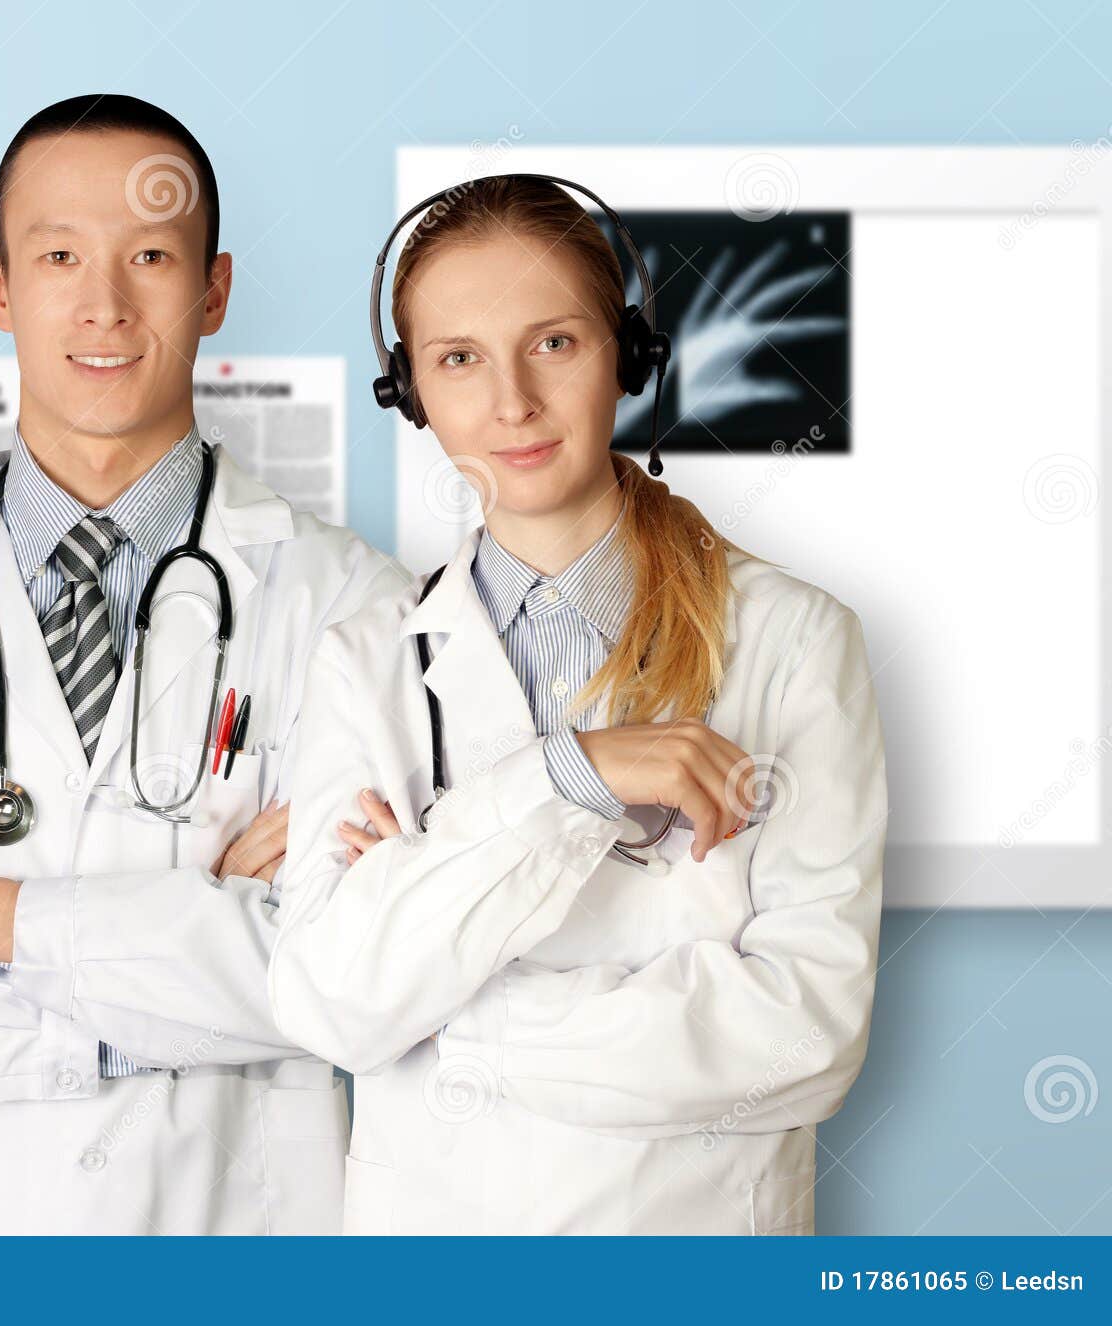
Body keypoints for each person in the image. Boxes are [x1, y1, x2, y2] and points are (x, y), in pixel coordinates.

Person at [0, 94, 399, 1235]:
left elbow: (355, 980)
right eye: (58, 256)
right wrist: (184, 947)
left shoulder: (353, 603)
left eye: (150, 255)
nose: (103, 304)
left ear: (213, 289)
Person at [269, 174, 888, 1235]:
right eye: (458, 358)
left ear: (628, 357)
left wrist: (452, 1007)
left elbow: (804, 1036)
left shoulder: (792, 643)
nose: (510, 401)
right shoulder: (361, 662)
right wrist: (574, 775)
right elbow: (330, 1003)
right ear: (410, 393)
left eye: (552, 342)